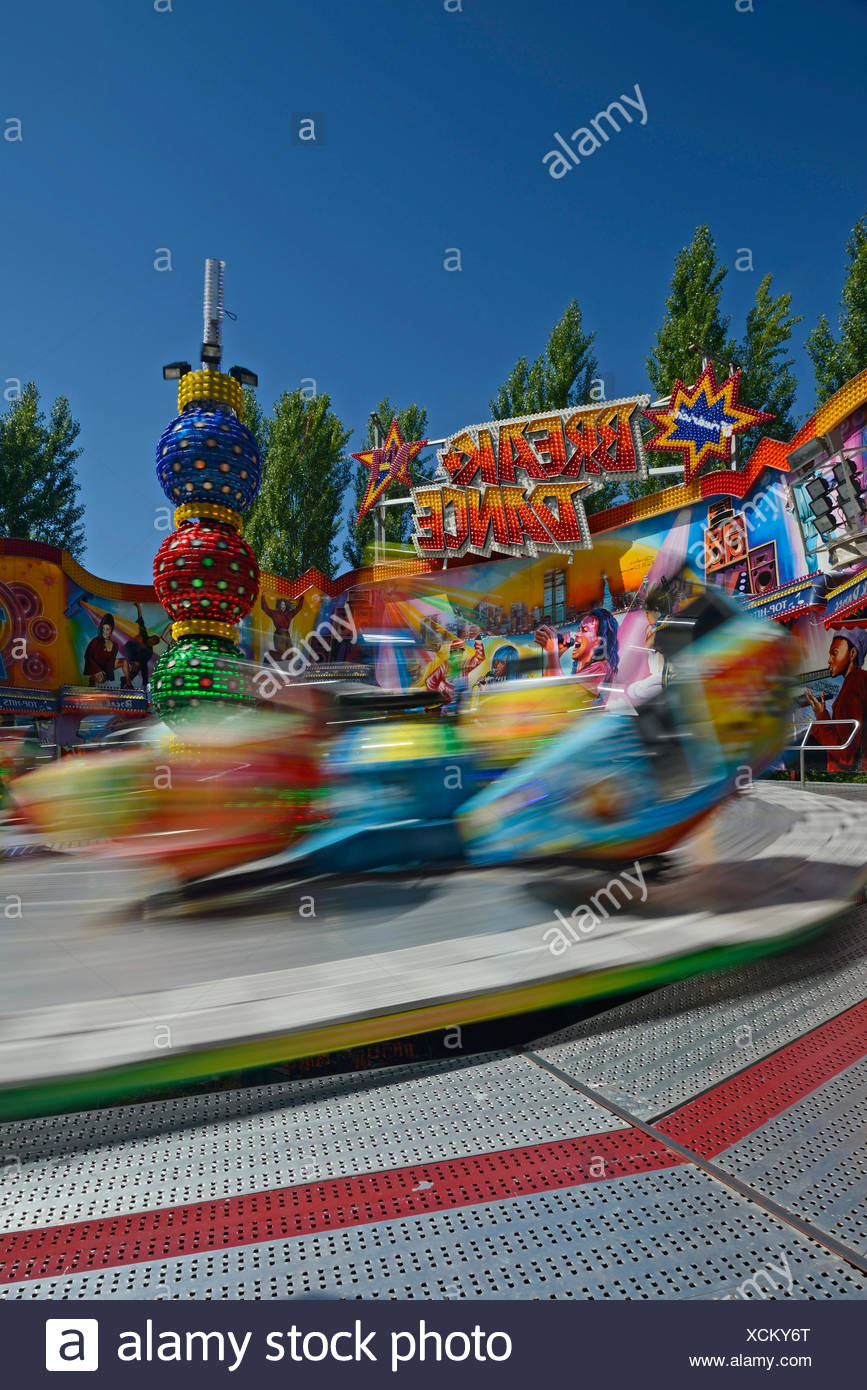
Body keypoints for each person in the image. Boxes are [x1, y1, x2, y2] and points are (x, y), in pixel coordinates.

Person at [805, 628, 867, 774]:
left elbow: (845, 755)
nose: (829, 660)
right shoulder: (861, 680)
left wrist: (821, 715)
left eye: (835, 653)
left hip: (846, 776)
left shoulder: (852, 689)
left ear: (852, 654)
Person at [83, 613, 128, 687]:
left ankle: (128, 684)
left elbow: (111, 662)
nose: (104, 632)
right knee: (101, 679)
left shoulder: (115, 645)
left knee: (124, 661)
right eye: (103, 629)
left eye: (107, 629)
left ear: (111, 630)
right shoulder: (96, 641)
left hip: (106, 669)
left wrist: (108, 674)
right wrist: (97, 671)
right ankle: (92, 681)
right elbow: (87, 656)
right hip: (95, 669)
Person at [261, 594, 304, 659]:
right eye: (281, 604)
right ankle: (268, 657)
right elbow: (265, 609)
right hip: (279, 633)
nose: (282, 606)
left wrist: (302, 598)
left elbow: (298, 609)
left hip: (286, 634)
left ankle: (269, 657)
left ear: (286, 605)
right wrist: (263, 597)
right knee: (281, 652)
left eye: (283, 604)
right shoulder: (275, 613)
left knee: (290, 655)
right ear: (279, 605)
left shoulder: (289, 613)